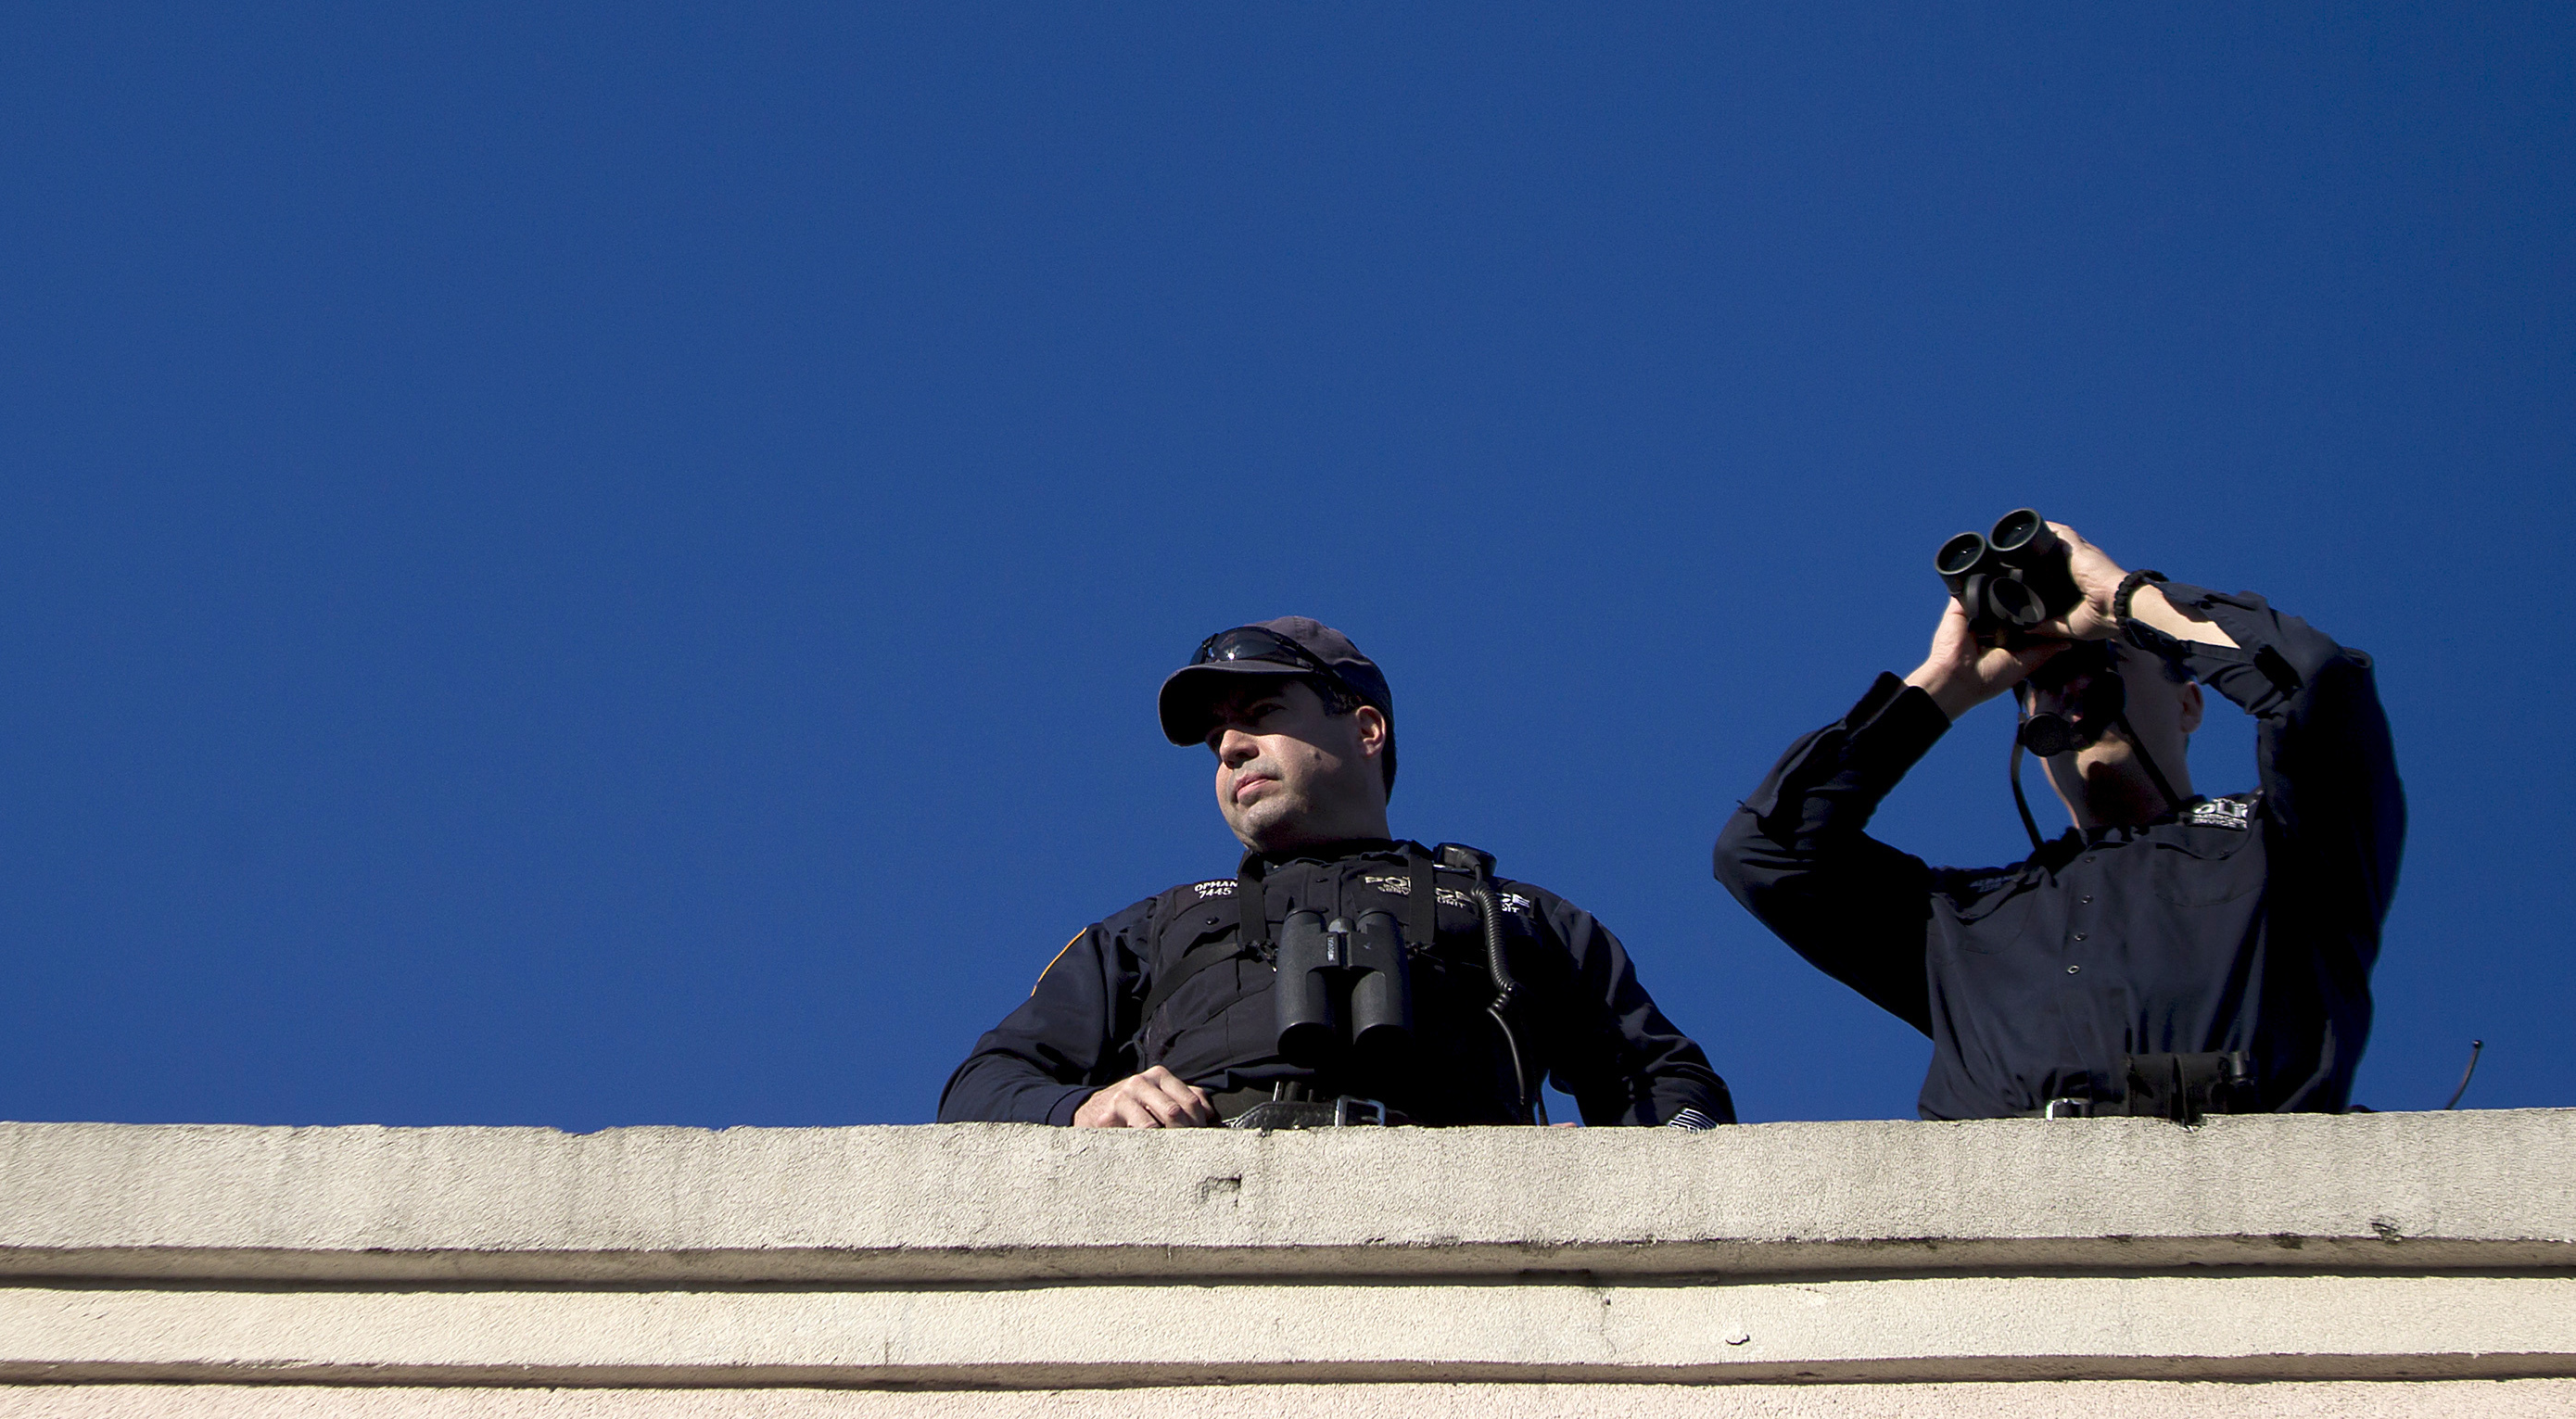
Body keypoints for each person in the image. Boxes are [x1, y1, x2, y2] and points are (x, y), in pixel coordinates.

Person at [1712, 522, 2405, 1121]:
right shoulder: (1967, 924)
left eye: (2099, 663)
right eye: (2040, 681)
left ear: (2190, 704)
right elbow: (1766, 855)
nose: (2067, 690)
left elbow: (2317, 687)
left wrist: (2130, 601)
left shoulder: (2280, 845)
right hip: (2010, 1246)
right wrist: (1942, 687)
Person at [940, 616, 1732, 1130]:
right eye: (1217, 734)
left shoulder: (1516, 913)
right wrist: (1086, 1106)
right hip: (1212, 1223)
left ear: (1365, 728)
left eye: (1259, 715)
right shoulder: (1148, 928)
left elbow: (1663, 1081)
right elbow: (983, 1088)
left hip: (1463, 1229)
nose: (1228, 747)